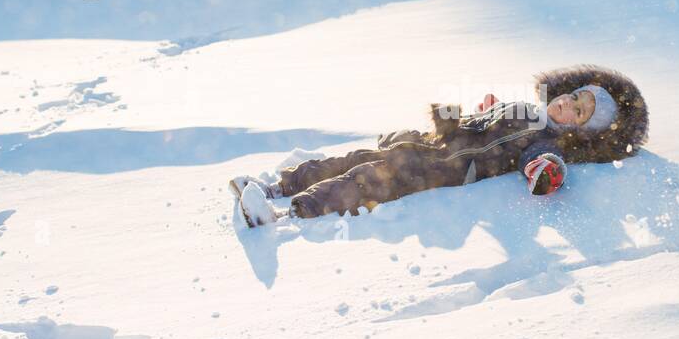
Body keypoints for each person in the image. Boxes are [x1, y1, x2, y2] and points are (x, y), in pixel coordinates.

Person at [229, 64, 649, 223]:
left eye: (579, 112)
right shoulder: (529, 110)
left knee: (368, 178)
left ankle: (290, 213)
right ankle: (277, 187)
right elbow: (486, 122)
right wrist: (481, 112)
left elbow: (538, 160)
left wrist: (544, 172)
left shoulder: (546, 140)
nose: (567, 105)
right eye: (574, 97)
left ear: (580, 131)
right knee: (357, 156)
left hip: (447, 168)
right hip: (435, 145)